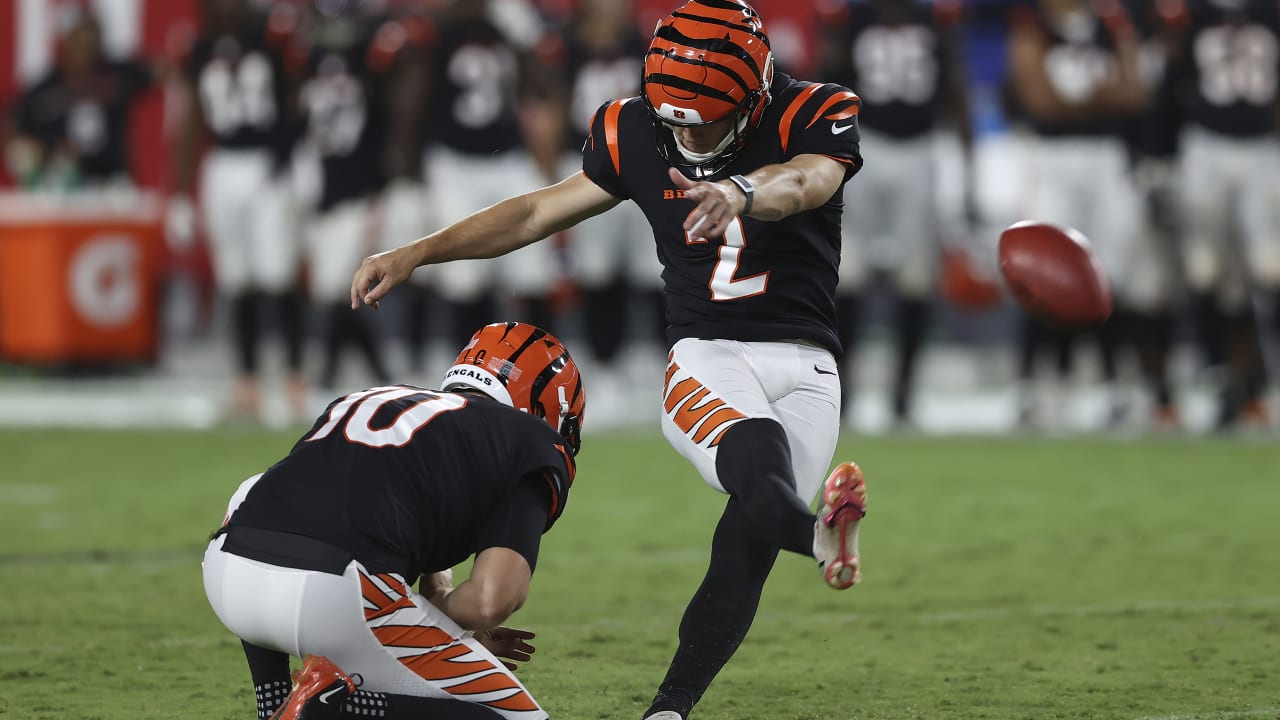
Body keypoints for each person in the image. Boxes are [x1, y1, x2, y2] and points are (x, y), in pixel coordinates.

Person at [350, 3, 869, 718]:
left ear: (753, 100)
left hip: (810, 361)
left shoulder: (810, 111)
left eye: (707, 120)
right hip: (707, 351)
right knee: (758, 459)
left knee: (747, 542)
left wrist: (741, 190)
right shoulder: (633, 128)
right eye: (675, 118)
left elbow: (806, 182)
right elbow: (534, 213)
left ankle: (671, 706)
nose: (686, 133)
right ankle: (819, 537)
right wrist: (418, 250)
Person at [202, 321, 585, 720]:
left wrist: (443, 631)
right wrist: (449, 625)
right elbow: (491, 600)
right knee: (520, 719)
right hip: (334, 594)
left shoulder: (379, 397)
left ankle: (274, 699)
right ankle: (329, 710)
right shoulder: (530, 440)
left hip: (227, 572)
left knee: (261, 499)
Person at [817, 0, 977, 426]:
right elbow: (826, 87)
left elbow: (954, 86)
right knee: (845, 272)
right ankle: (839, 390)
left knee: (915, 276)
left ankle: (905, 393)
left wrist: (968, 161)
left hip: (920, 148)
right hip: (860, 144)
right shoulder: (853, 20)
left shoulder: (933, 22)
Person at [1005, 0, 1151, 429]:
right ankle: (1033, 388)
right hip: (1051, 158)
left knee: (1110, 277)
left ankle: (1114, 389)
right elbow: (1040, 101)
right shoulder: (1033, 24)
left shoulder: (1112, 22)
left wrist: (1080, 98)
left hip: (1107, 159)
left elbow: (1136, 93)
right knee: (1041, 275)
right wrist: (1103, 97)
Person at [174, 0, 308, 421]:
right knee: (237, 278)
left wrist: (298, 159)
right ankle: (246, 381)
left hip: (268, 164)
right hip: (223, 165)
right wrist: (179, 191)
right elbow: (192, 116)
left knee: (278, 275)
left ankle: (294, 377)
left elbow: (295, 101)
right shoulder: (199, 46)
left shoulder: (273, 36)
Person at [1161, 0, 1279, 430]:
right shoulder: (1191, 15)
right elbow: (1171, 86)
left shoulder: (1268, 15)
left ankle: (1260, 382)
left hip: (1263, 148)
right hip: (1205, 148)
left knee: (1270, 269)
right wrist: (1157, 156)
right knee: (1208, 273)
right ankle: (1222, 378)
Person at [8, 4, 152, 190]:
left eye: (93, 37)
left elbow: (157, 71)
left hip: (111, 183)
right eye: (81, 38)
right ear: (66, 41)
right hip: (58, 185)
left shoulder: (117, 75)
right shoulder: (44, 89)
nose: (87, 45)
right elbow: (15, 125)